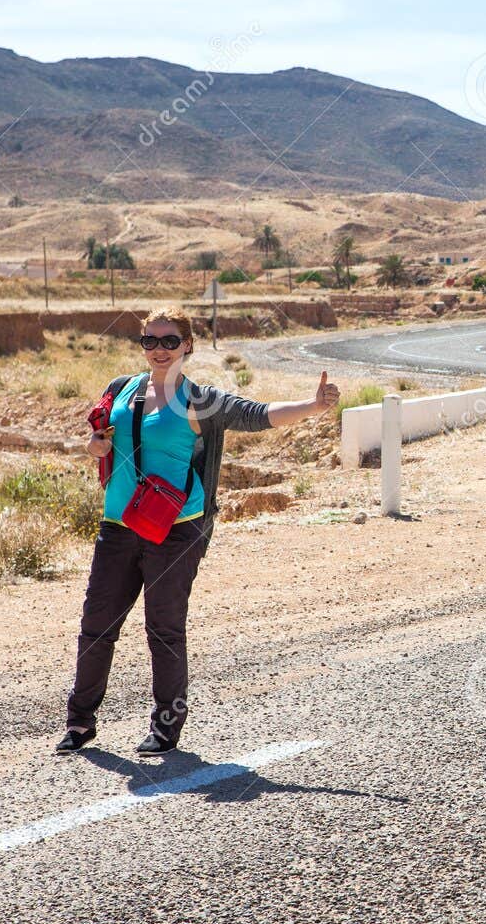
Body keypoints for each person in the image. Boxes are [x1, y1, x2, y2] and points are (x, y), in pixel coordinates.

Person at [56, 306, 340, 755]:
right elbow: (98, 440)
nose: (159, 350)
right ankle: (80, 724)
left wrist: (312, 406)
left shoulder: (199, 401)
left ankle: (166, 727)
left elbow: (258, 414)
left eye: (170, 341)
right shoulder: (121, 390)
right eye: (150, 341)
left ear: (187, 345)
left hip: (175, 531)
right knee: (96, 626)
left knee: (163, 630)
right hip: (118, 525)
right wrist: (95, 446)